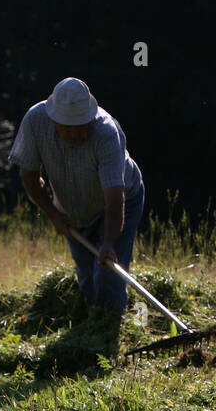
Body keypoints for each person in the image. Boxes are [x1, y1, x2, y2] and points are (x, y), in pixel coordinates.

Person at [10, 77, 145, 323]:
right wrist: (53, 214)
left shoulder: (106, 133)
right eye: (67, 126)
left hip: (116, 203)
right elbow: (29, 175)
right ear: (53, 120)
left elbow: (116, 197)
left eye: (80, 125)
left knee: (107, 273)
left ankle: (109, 331)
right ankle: (89, 331)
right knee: (87, 276)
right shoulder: (35, 121)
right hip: (72, 206)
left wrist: (109, 243)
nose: (75, 132)